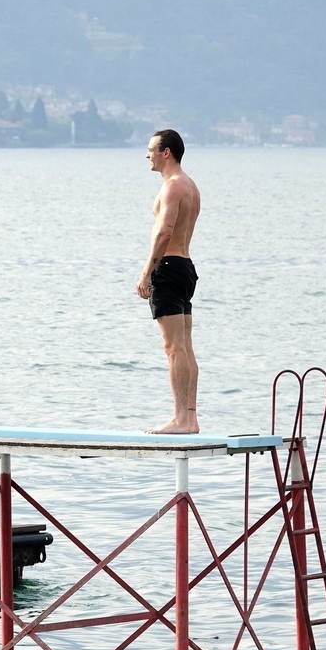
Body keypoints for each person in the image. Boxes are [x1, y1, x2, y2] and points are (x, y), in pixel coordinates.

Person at [136, 129, 201, 434]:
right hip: (185, 266)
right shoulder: (191, 186)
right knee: (185, 347)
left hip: (170, 267)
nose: (147, 155)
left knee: (173, 348)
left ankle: (179, 419)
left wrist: (147, 272)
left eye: (151, 149)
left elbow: (164, 233)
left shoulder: (173, 188)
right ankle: (190, 417)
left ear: (166, 152)